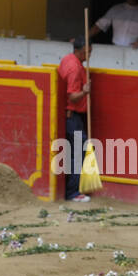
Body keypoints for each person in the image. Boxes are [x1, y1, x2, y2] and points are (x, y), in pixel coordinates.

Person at [58, 38, 93, 203]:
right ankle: (72, 192)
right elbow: (72, 97)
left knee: (75, 150)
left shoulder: (68, 59)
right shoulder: (75, 68)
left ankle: (71, 189)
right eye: (88, 51)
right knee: (78, 150)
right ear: (80, 51)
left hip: (69, 115)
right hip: (72, 115)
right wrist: (85, 92)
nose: (90, 54)